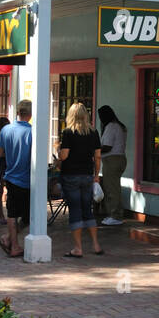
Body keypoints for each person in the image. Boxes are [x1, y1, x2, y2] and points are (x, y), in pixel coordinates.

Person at [57, 102, 103, 258]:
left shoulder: (68, 132)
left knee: (75, 210)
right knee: (87, 209)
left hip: (70, 175)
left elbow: (64, 155)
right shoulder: (93, 132)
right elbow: (97, 156)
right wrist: (96, 175)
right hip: (87, 175)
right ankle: (96, 245)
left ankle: (78, 248)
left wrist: (58, 151)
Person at [0, 100, 33, 258]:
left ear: (18, 112)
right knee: (27, 215)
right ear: (30, 114)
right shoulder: (32, 132)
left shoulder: (6, 129)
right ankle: (13, 243)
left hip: (10, 175)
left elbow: (0, 153)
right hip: (26, 177)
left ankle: (12, 241)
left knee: (12, 212)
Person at [97, 105, 127, 226]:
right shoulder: (119, 126)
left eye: (101, 116)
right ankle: (116, 214)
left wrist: (95, 150)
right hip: (119, 159)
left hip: (112, 160)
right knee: (115, 188)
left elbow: (107, 146)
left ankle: (115, 215)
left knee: (111, 189)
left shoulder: (111, 126)